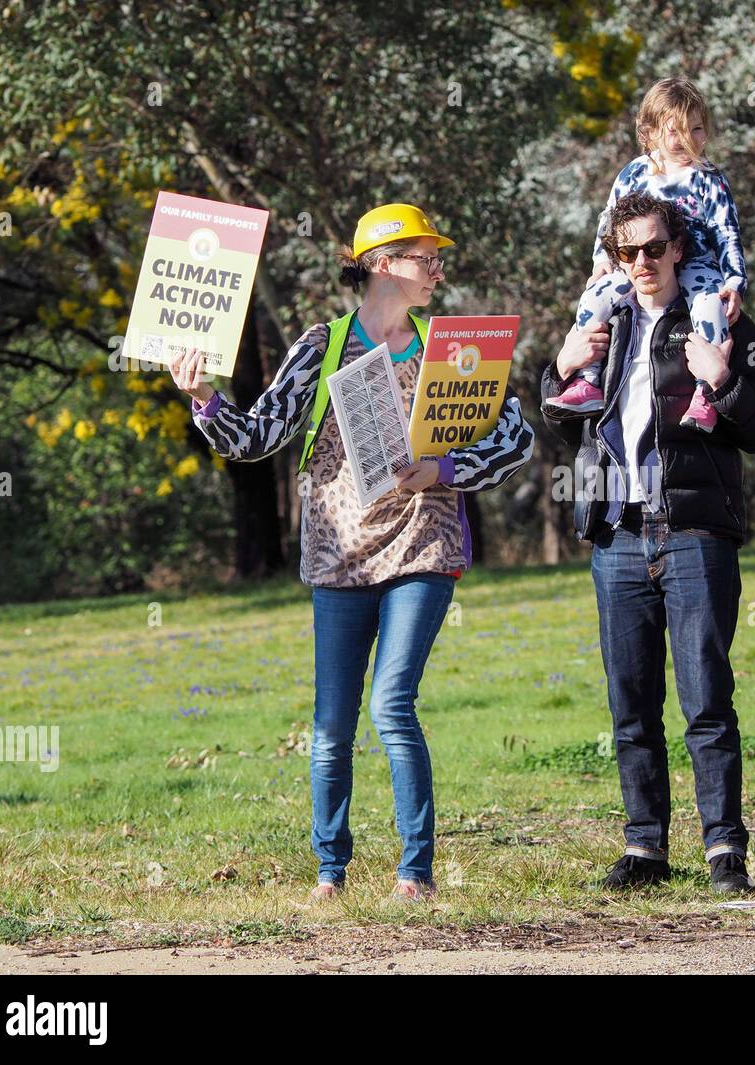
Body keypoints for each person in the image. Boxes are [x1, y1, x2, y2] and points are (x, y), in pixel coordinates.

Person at [169, 203, 534, 901]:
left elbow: (515, 439)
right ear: (381, 264)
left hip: (423, 544)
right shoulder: (323, 344)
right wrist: (205, 397)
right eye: (426, 256)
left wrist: (444, 470)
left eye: (436, 256)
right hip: (339, 553)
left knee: (392, 702)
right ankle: (329, 872)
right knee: (332, 722)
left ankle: (414, 874)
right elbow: (256, 437)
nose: (438, 268)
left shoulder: (453, 345)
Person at [540, 191, 755, 893]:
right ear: (614, 257)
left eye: (653, 248)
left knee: (706, 697)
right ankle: (645, 848)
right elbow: (564, 420)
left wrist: (724, 380)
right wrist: (559, 368)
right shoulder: (603, 323)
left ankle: (724, 849)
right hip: (616, 531)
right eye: (627, 252)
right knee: (630, 700)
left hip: (694, 530)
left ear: (678, 247)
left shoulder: (720, 318)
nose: (641, 263)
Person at [545, 76, 747, 434]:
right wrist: (601, 261)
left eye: (697, 129)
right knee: (596, 296)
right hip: (635, 261)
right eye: (675, 132)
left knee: (709, 306)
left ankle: (704, 392)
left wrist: (734, 281)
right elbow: (610, 218)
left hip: (696, 263)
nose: (688, 140)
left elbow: (726, 230)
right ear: (650, 133)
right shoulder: (634, 173)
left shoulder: (708, 178)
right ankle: (587, 378)